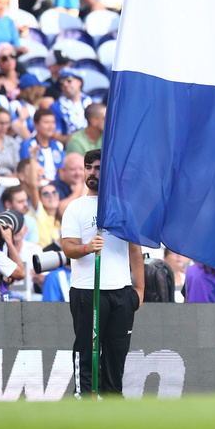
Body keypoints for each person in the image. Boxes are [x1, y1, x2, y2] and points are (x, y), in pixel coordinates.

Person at [61, 149, 144, 396]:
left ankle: (112, 402)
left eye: (98, 168)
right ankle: (83, 398)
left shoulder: (124, 208)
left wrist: (139, 290)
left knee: (117, 354)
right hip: (88, 290)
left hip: (120, 292)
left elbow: (135, 252)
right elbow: (68, 247)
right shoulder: (75, 208)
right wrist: (87, 248)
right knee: (86, 351)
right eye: (89, 167)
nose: (92, 173)